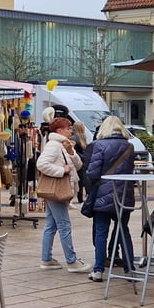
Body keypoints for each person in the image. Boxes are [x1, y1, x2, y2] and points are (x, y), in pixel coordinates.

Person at [84, 116, 137, 282]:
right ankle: (130, 270)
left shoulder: (99, 145)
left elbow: (92, 173)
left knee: (101, 231)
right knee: (123, 231)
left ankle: (98, 270)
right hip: (124, 195)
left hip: (103, 193)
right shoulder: (129, 147)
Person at [36, 117, 91, 273]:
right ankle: (71, 261)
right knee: (64, 225)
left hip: (58, 190)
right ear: (59, 131)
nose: (70, 131)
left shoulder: (63, 145)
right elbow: (41, 164)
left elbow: (79, 165)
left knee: (51, 225)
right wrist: (61, 171)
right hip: (57, 190)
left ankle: (46, 259)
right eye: (68, 128)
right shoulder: (53, 145)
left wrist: (71, 152)